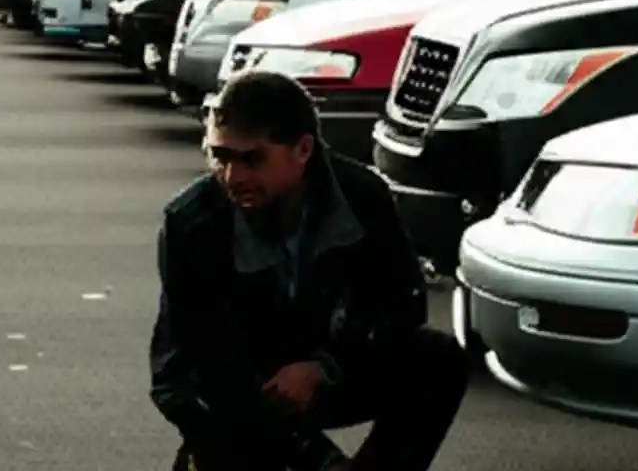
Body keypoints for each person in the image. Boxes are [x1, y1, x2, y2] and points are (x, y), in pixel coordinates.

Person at [148, 70, 469, 471]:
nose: (233, 177)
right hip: (224, 389)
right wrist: (316, 457)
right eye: (221, 156)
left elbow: (399, 308)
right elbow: (205, 356)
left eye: (252, 159)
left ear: (303, 149)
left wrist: (324, 367)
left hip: (320, 365)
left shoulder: (362, 196)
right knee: (217, 413)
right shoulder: (191, 222)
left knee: (436, 360)